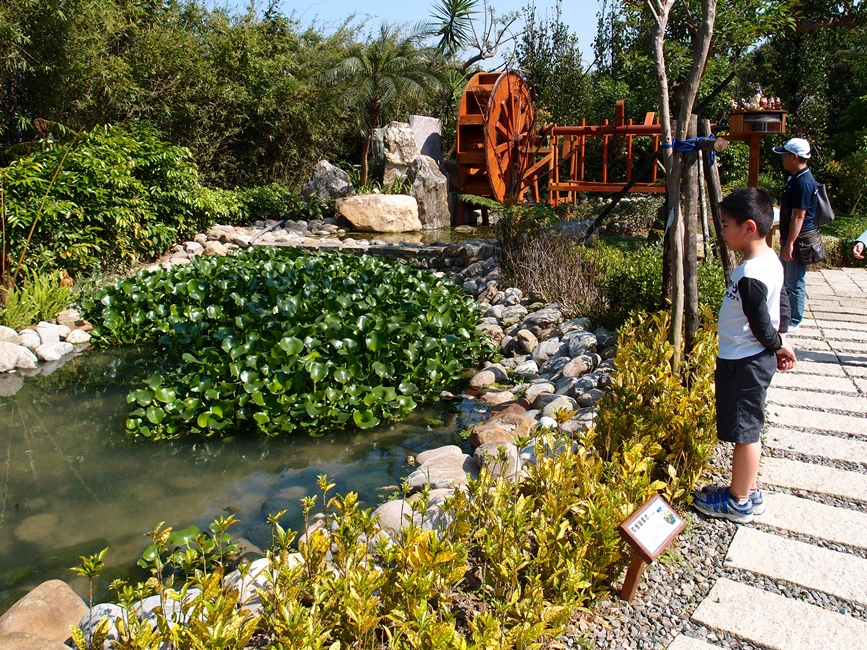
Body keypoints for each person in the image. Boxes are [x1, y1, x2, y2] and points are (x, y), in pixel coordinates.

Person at [693, 188, 797, 524]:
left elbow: (761, 321)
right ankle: (746, 488)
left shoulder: (751, 275)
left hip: (744, 362)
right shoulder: (769, 261)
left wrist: (777, 344)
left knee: (745, 433)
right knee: (748, 428)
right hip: (751, 359)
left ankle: (739, 501)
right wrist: (779, 341)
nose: (721, 231)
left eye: (725, 225)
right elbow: (782, 306)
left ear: (748, 227)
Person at [774, 137, 818, 331]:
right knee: (786, 277)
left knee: (795, 280)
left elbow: (799, 216)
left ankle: (795, 319)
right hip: (792, 237)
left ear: (793, 157)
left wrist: (790, 243)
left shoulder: (803, 183)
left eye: (784, 155)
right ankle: (786, 314)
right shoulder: (797, 178)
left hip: (799, 240)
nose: (782, 158)